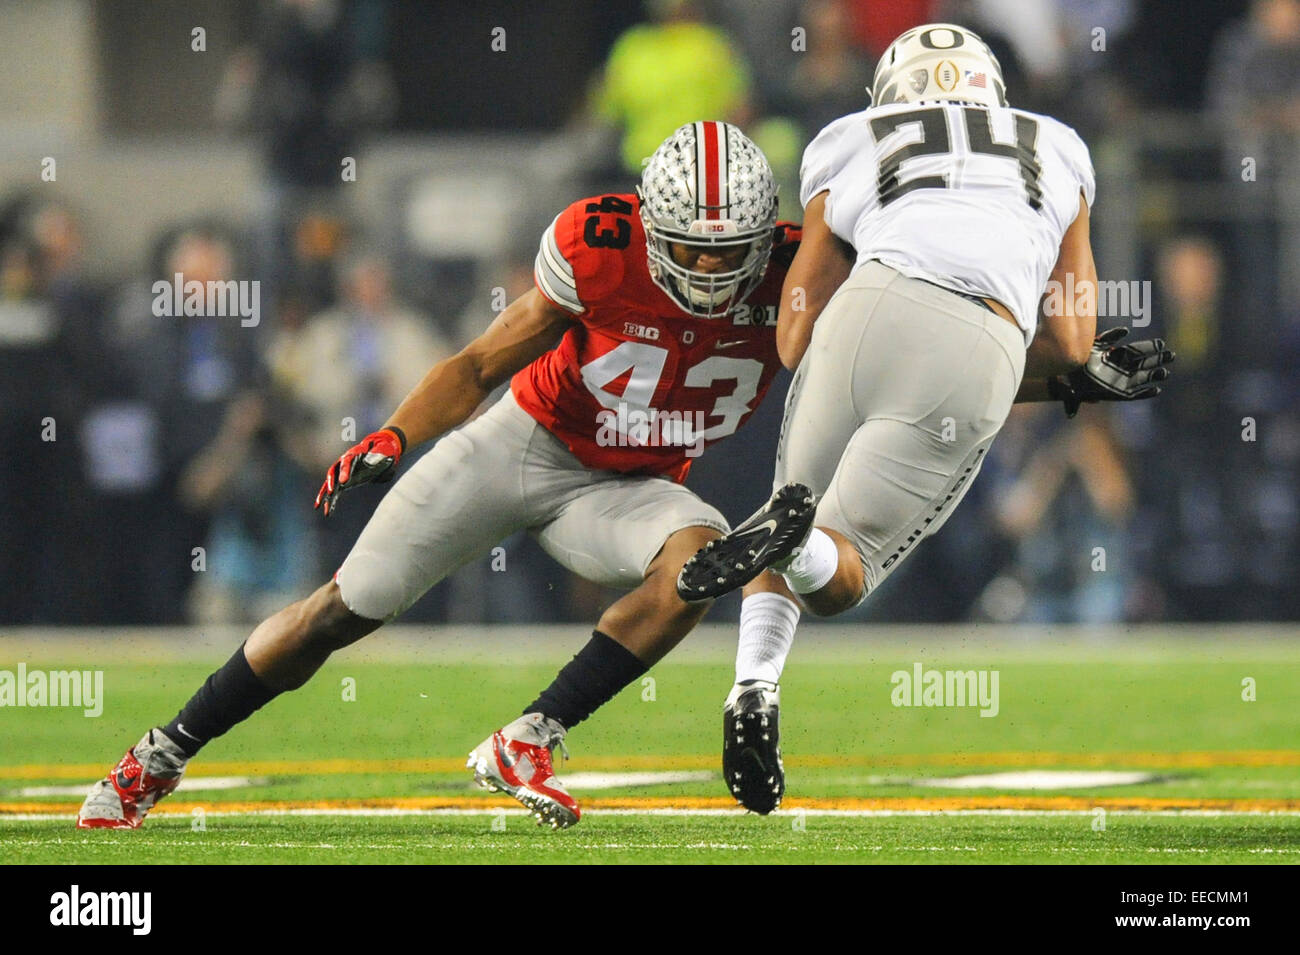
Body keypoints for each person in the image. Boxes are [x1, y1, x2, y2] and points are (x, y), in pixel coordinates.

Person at [76, 122, 801, 831]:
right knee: (342, 608)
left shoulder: (799, 276)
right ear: (650, 227)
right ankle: (161, 752)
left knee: (699, 564)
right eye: (691, 249)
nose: (711, 270)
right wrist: (396, 433)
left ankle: (531, 734)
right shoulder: (602, 248)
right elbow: (481, 364)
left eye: (730, 252)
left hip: (630, 485)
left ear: (766, 237)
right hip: (526, 442)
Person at [676, 24, 1175, 813]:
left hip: (862, 311)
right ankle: (797, 543)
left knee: (789, 511)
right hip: (976, 337)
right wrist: (1075, 380)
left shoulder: (848, 136)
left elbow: (798, 329)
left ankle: (752, 689)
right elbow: (1075, 338)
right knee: (840, 575)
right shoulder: (1057, 142)